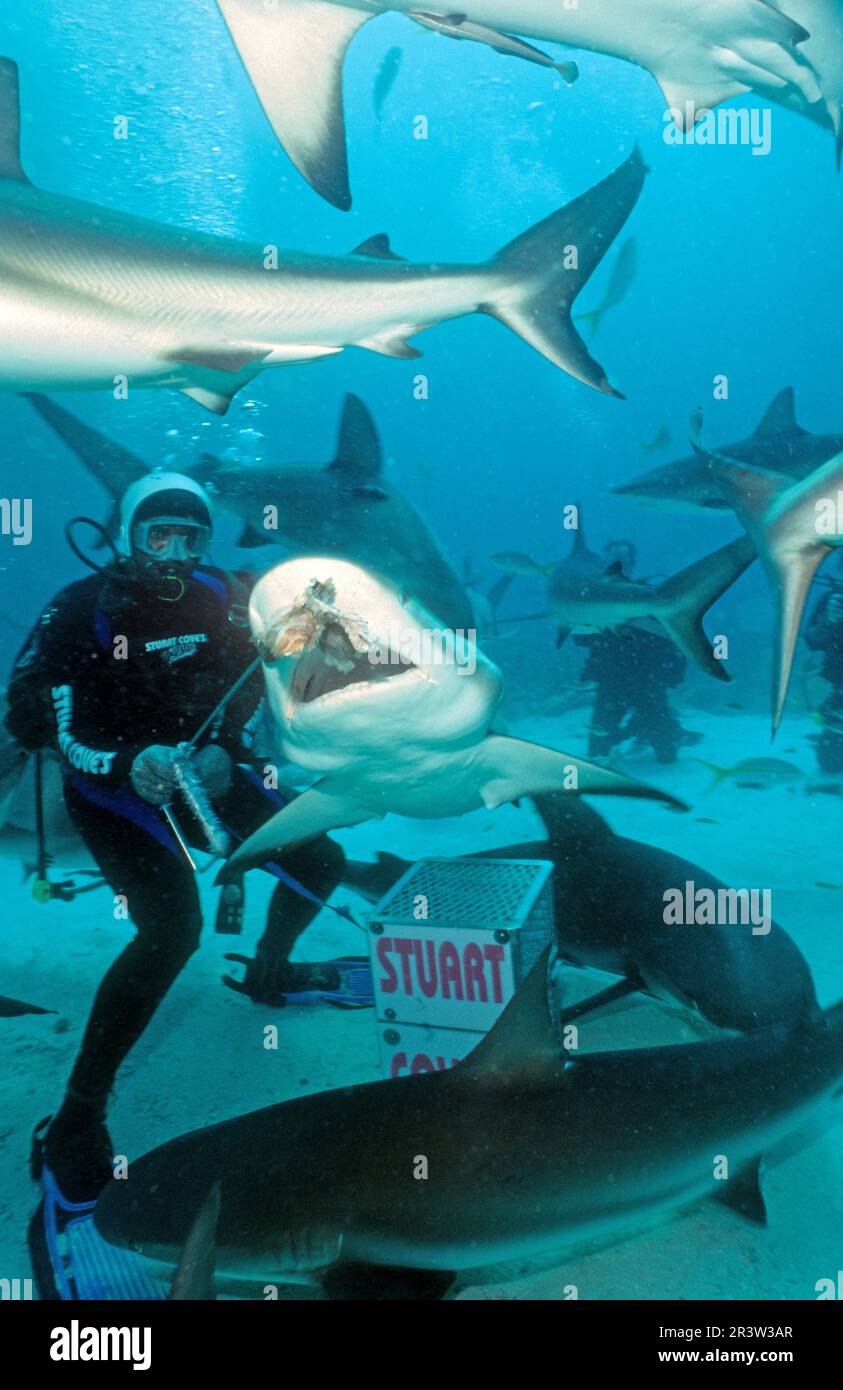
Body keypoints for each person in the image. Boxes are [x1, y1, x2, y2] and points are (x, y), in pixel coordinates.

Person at [6, 471, 359, 1203]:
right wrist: (130, 765)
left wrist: (224, 750)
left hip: (210, 768)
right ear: (123, 536)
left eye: (189, 537)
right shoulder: (79, 611)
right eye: (156, 535)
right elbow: (53, 728)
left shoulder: (226, 600)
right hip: (112, 789)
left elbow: (251, 683)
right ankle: (76, 1115)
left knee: (321, 857)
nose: (173, 552)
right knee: (171, 929)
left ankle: (269, 969)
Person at [574, 540, 701, 765]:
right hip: (610, 683)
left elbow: (676, 637)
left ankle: (647, 727)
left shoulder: (652, 595)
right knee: (597, 754)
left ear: (633, 563)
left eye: (624, 559)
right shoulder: (592, 598)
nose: (619, 563)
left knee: (667, 755)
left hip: (649, 683)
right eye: (613, 558)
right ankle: (638, 727)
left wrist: (675, 672)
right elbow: (580, 639)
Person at [804, 579, 843, 772]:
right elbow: (812, 641)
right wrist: (829, 623)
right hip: (838, 688)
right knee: (830, 763)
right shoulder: (832, 599)